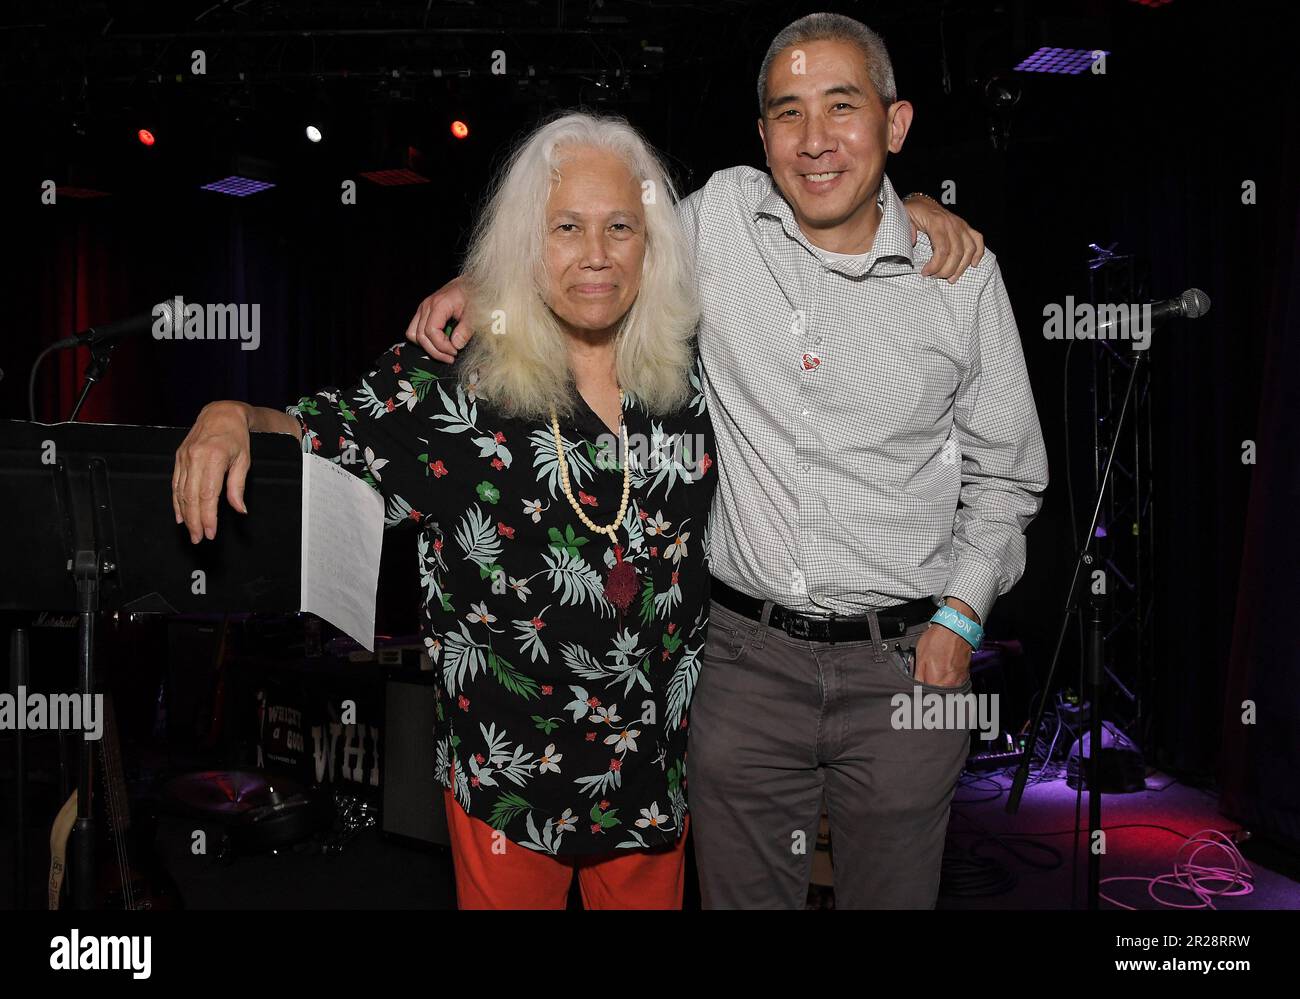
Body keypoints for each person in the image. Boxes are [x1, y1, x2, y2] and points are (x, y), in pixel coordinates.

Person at [404, 13, 1049, 910]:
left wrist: (964, 616)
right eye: (788, 113)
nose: (815, 140)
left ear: (894, 126)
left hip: (911, 663)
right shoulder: (718, 223)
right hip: (742, 668)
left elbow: (1009, 474)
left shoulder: (963, 279)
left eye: (841, 107)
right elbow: (594, 240)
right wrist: (482, 285)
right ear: (761, 135)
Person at [170, 112, 716, 909]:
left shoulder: (693, 374)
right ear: (528, 240)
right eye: (566, 227)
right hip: (505, 783)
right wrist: (232, 413)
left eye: (620, 227)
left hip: (649, 777)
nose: (595, 254)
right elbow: (327, 429)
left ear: (651, 241)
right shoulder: (458, 377)